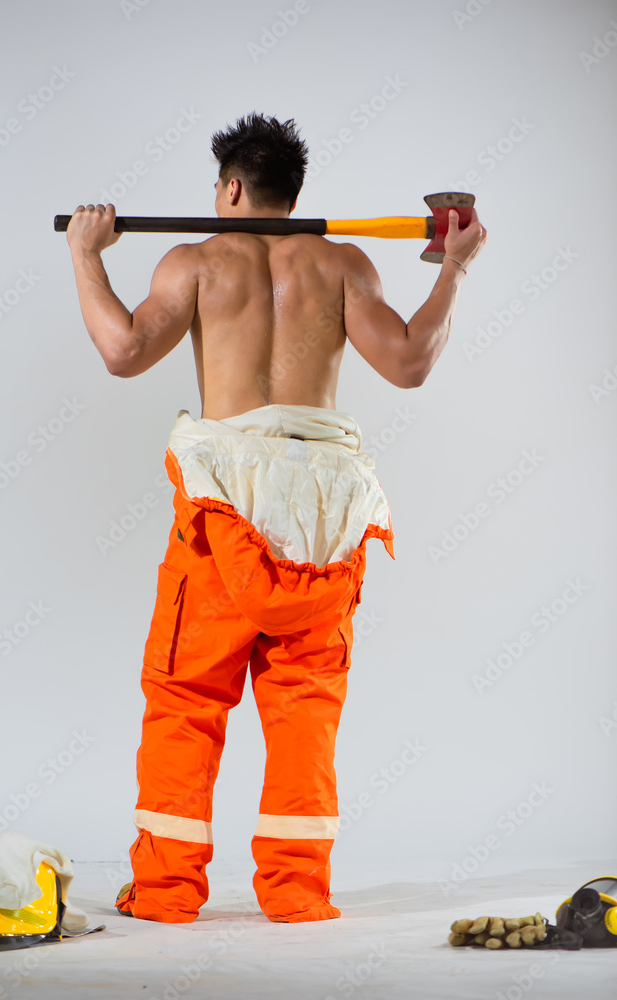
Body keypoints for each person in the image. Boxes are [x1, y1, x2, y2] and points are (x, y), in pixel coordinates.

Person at [65, 112, 487, 925]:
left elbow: (122, 351)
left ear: (229, 187)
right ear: (293, 194)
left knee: (187, 697)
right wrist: (455, 271)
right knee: (305, 703)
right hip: (324, 511)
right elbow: (407, 365)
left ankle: (165, 892)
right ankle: (296, 893)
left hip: (226, 500)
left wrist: (86, 255)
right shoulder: (341, 264)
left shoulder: (193, 261)